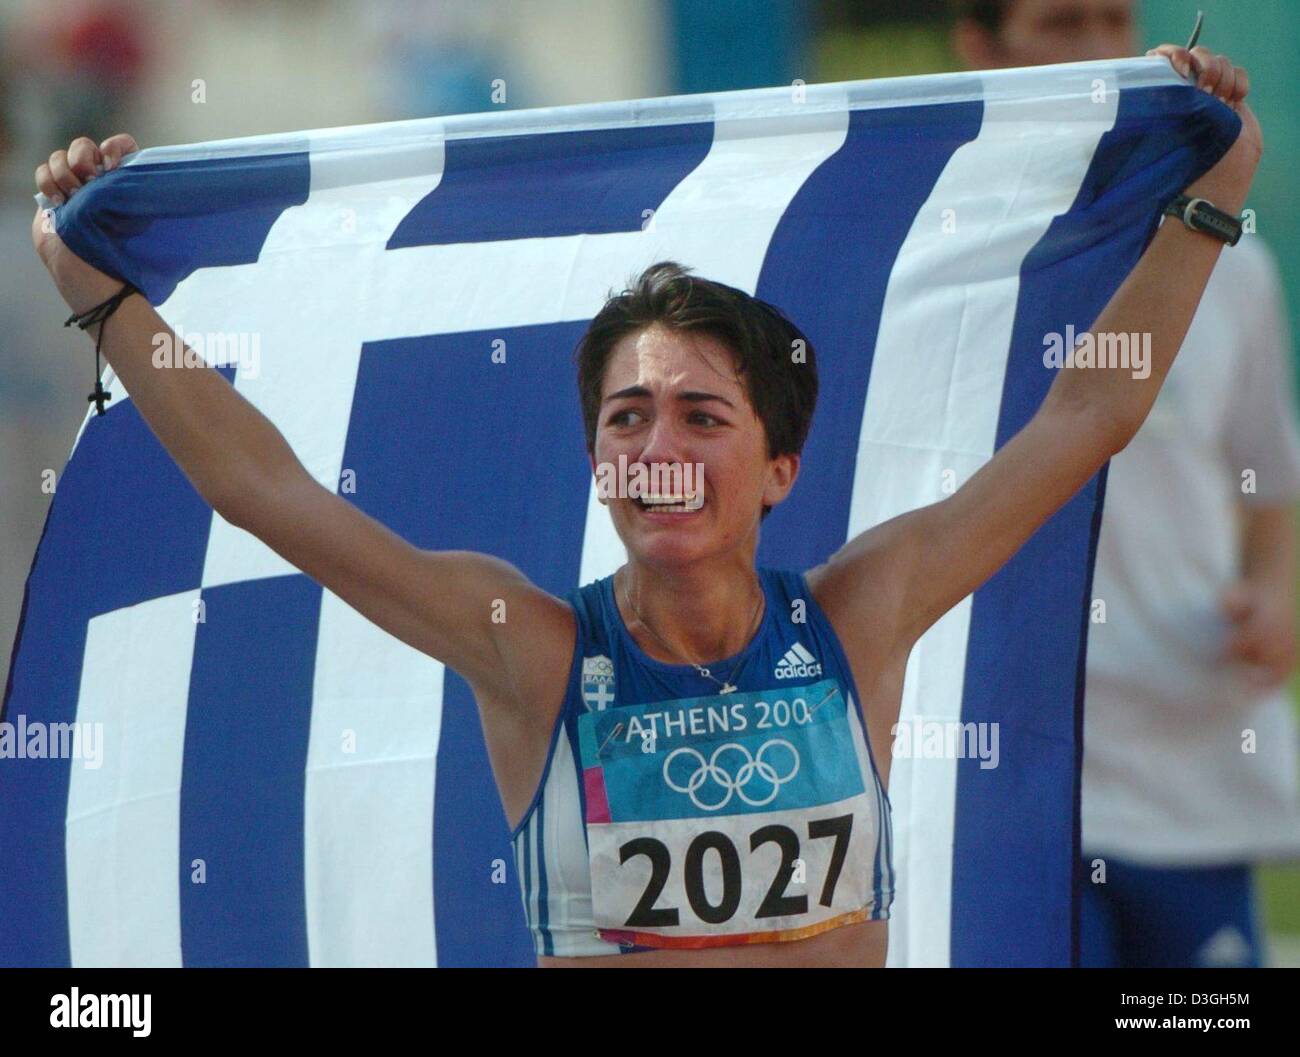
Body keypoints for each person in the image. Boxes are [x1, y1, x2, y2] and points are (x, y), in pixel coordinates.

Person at [31, 41, 1259, 967]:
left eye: (701, 416)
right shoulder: (532, 648)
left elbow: (1081, 419)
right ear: (596, 461)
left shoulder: (861, 612)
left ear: (781, 468)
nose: (658, 445)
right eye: (627, 417)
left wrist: (1209, 197)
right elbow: (265, 490)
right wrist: (104, 295)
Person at [952, 0, 1300, 968]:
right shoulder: (951, 267)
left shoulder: (1236, 264)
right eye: (1061, 25)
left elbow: (1270, 483)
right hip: (1009, 789)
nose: (1100, 51)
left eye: (1111, 19)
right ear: (980, 50)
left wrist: (1275, 594)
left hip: (1190, 778)